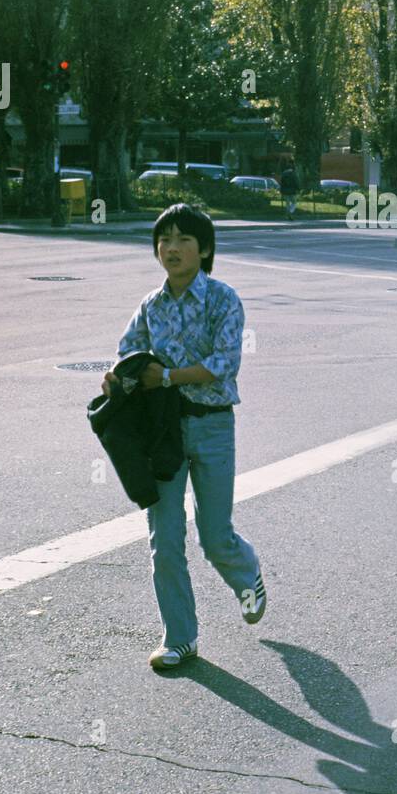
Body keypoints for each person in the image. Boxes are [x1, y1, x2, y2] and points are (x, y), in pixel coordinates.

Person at [102, 203, 265, 671]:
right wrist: (116, 377)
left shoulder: (222, 299)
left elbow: (223, 364)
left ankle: (247, 572)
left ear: (205, 249)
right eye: (165, 239)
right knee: (165, 537)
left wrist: (168, 377)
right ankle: (180, 637)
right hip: (163, 430)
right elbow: (127, 352)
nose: (172, 248)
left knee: (215, 536)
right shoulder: (151, 306)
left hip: (213, 424)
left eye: (183, 240)